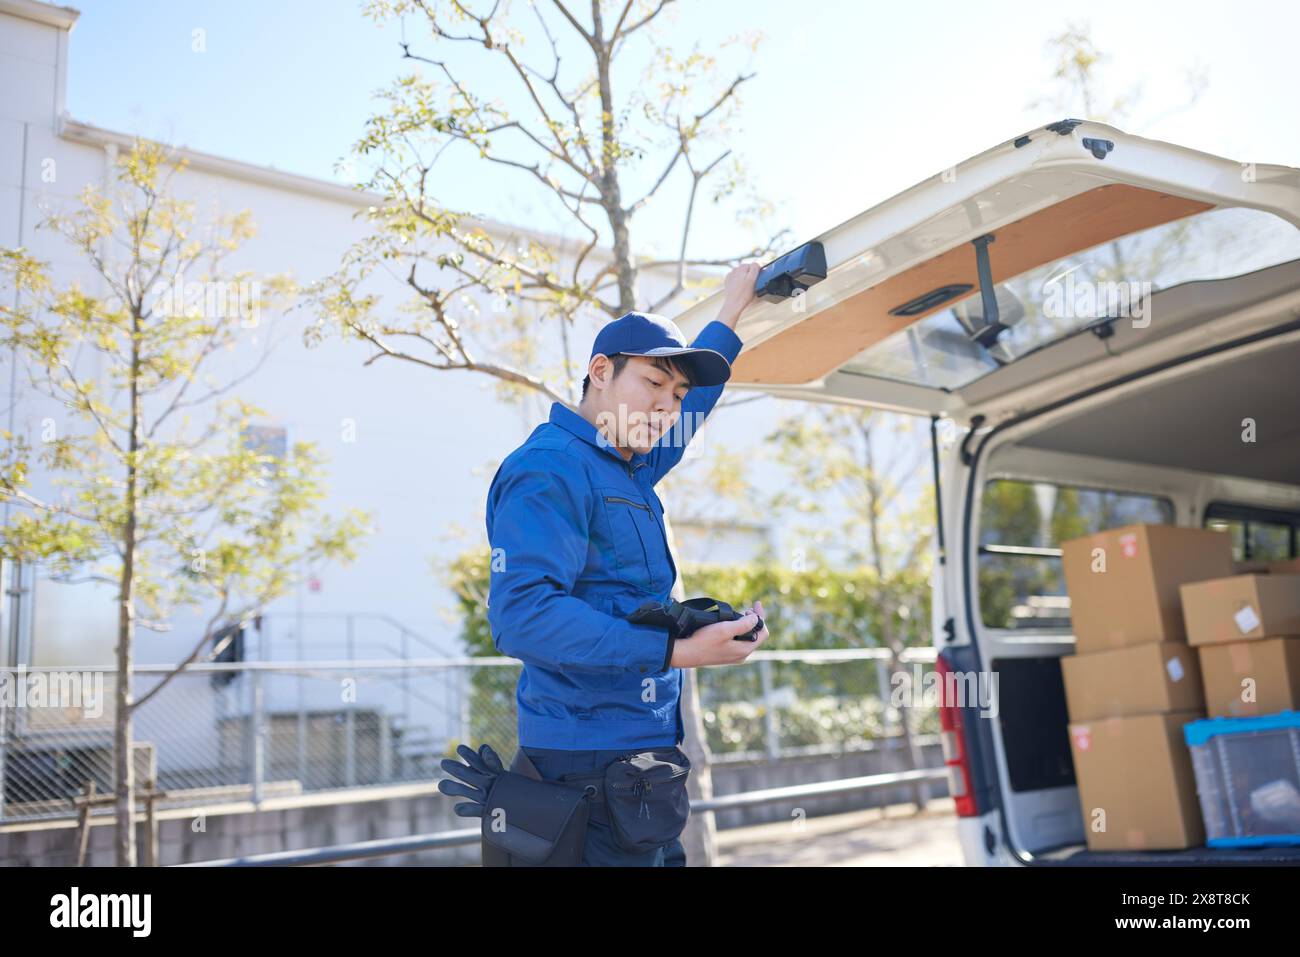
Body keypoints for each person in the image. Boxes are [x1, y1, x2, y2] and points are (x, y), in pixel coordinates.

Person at [484, 262, 771, 866]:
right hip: (583, 774)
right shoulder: (550, 468)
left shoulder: (629, 462)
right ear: (600, 372)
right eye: (651, 383)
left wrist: (731, 310)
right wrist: (673, 652)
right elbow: (522, 616)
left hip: (642, 770)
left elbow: (697, 409)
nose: (666, 407)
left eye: (675, 394)